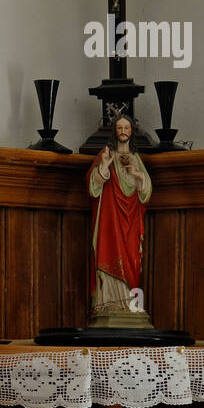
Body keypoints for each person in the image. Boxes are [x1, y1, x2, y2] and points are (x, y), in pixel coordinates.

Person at [86, 115, 151, 323]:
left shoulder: (136, 157)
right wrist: (104, 167)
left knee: (132, 259)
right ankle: (107, 303)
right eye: (119, 127)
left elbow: (146, 192)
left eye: (127, 127)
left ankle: (130, 303)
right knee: (109, 251)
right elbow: (92, 187)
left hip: (131, 220)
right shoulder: (106, 154)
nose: (123, 130)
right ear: (114, 131)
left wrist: (140, 177)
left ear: (132, 131)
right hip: (110, 218)